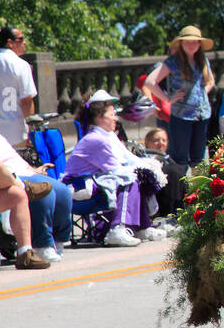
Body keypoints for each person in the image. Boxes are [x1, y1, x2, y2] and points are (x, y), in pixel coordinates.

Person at [0, 97, 70, 263]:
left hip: (17, 174)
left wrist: (32, 169)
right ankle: (43, 244)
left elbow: (12, 156)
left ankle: (27, 252)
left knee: (61, 191)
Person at [64, 92, 166, 246]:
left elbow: (129, 159)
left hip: (94, 183)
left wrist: (151, 165)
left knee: (139, 174)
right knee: (128, 179)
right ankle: (118, 228)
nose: (115, 118)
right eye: (111, 114)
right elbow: (117, 170)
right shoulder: (97, 139)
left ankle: (141, 226)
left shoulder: (108, 136)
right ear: (99, 117)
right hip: (79, 188)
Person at [143, 26, 214, 171]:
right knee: (180, 159)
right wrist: (168, 98)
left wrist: (202, 94)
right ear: (181, 43)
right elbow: (150, 82)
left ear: (199, 44)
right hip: (182, 116)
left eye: (194, 41)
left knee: (199, 159)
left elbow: (211, 81)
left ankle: (198, 192)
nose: (191, 44)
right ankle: (180, 192)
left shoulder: (202, 59)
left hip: (202, 115)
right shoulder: (173, 61)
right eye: (187, 41)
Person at [0, 26, 37, 146]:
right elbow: (26, 101)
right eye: (21, 39)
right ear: (10, 43)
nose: (25, 42)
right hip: (15, 134)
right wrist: (32, 131)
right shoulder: (20, 64)